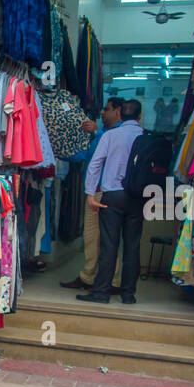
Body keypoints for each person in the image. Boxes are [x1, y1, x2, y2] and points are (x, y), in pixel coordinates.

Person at [77, 97, 145, 306]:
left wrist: (90, 193)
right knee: (132, 247)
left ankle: (101, 292)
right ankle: (128, 295)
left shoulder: (111, 135)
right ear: (140, 117)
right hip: (138, 197)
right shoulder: (145, 137)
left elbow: (95, 164)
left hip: (112, 196)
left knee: (109, 245)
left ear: (120, 115)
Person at [62, 97, 123, 293]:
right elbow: (87, 155)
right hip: (104, 192)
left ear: (118, 112)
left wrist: (97, 131)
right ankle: (95, 277)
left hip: (101, 192)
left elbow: (96, 156)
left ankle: (103, 280)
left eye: (107, 109)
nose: (103, 112)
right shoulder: (107, 134)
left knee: (101, 237)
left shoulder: (113, 134)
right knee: (99, 237)